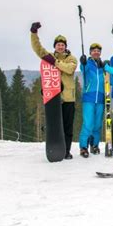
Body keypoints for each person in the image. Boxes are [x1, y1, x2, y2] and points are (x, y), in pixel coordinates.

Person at [30, 22, 78, 160]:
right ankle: (55, 148)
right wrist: (33, 33)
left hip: (68, 98)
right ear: (55, 46)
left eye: (63, 44)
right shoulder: (49, 56)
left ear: (65, 46)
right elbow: (38, 49)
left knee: (67, 127)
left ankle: (66, 151)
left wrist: (55, 62)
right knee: (56, 127)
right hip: (53, 97)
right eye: (58, 44)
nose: (61, 46)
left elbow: (70, 69)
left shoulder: (71, 58)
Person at [78, 43, 105, 158]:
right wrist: (83, 62)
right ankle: (83, 147)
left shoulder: (102, 66)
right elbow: (83, 69)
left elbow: (111, 81)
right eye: (93, 50)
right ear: (90, 52)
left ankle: (94, 145)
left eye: (98, 51)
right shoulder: (87, 64)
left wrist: (106, 67)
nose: (96, 52)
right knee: (88, 123)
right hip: (89, 97)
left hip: (100, 98)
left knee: (97, 124)